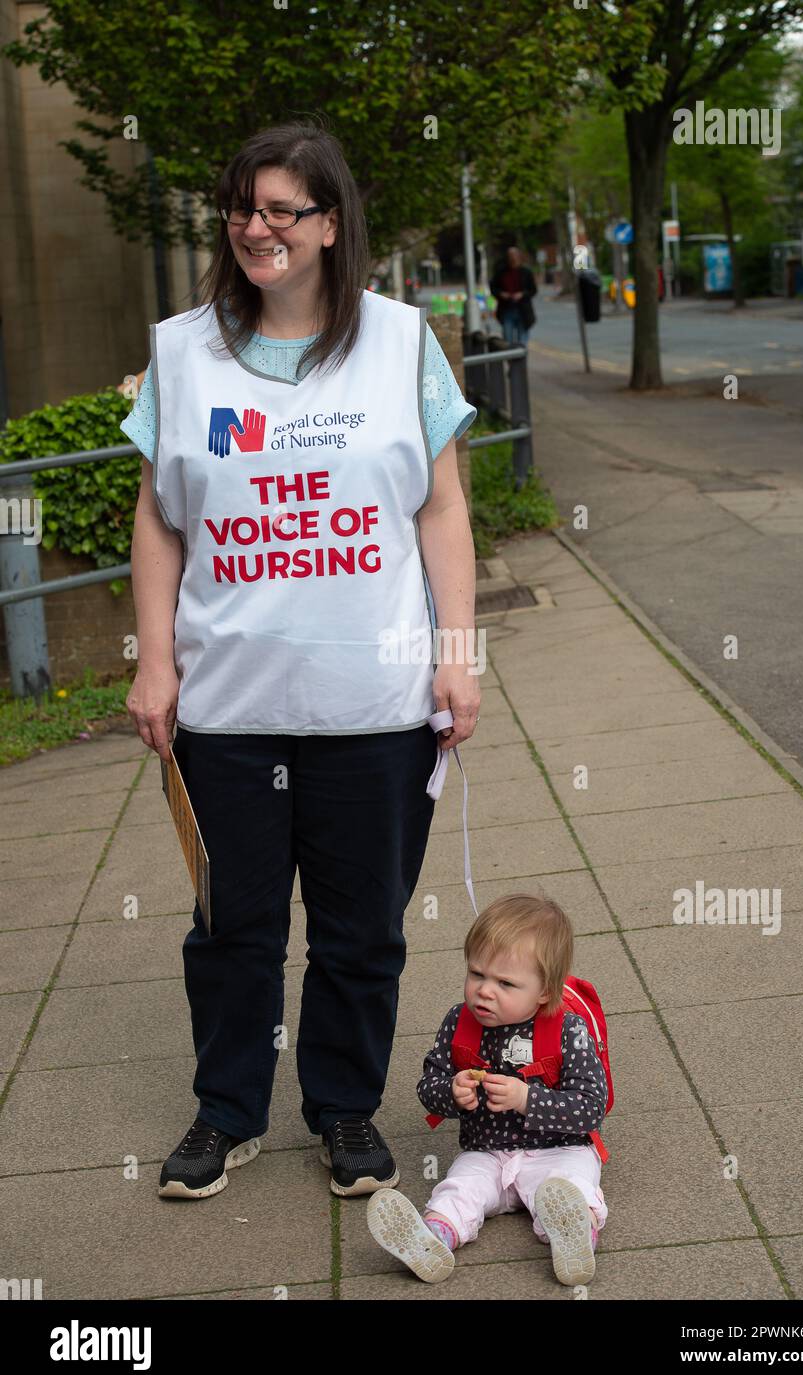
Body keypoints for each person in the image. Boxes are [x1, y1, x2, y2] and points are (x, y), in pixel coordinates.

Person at [121, 120, 481, 1201]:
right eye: (242, 206)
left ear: (330, 225)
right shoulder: (182, 350)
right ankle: (226, 1109)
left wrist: (457, 659)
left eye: (283, 209)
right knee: (233, 927)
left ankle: (343, 1109)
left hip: (373, 701)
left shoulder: (403, 341)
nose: (256, 228)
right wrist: (153, 663)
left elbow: (445, 506)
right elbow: (157, 523)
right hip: (226, 706)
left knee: (362, 930)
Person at [366, 893, 609, 1286]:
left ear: (545, 991)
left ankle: (573, 1232)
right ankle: (433, 1237)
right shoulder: (459, 1021)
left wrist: (526, 1098)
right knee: (459, 1189)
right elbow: (428, 1086)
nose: (484, 991)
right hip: (487, 1152)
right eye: (477, 974)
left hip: (557, 1149)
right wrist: (451, 1091)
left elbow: (590, 1107)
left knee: (570, 1186)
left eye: (505, 983)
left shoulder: (567, 1029)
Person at [489, 246, 537, 345]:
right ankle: (511, 359)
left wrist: (522, 294)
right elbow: (493, 288)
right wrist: (501, 294)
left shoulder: (526, 272)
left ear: (519, 256)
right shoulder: (501, 272)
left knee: (522, 341)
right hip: (507, 309)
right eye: (510, 256)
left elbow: (533, 290)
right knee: (507, 340)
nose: (513, 258)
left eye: (515, 255)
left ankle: (521, 359)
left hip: (523, 310)